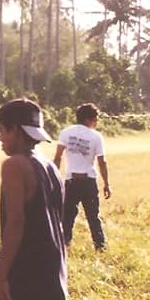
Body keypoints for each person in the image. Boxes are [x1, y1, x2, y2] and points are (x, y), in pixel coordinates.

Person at [0, 98, 112, 300]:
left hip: (27, 271)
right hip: (51, 271)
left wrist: (0, 277)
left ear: (18, 132)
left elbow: (16, 224)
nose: (0, 138)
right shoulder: (49, 167)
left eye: (3, 131)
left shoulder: (14, 165)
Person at [53, 103, 111, 251]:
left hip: (71, 180)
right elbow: (101, 161)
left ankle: (64, 245)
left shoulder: (66, 132)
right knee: (93, 216)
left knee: (67, 216)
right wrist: (106, 183)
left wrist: (54, 178)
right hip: (88, 181)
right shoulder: (96, 136)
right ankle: (100, 246)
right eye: (95, 118)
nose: (96, 122)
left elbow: (58, 157)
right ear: (88, 119)